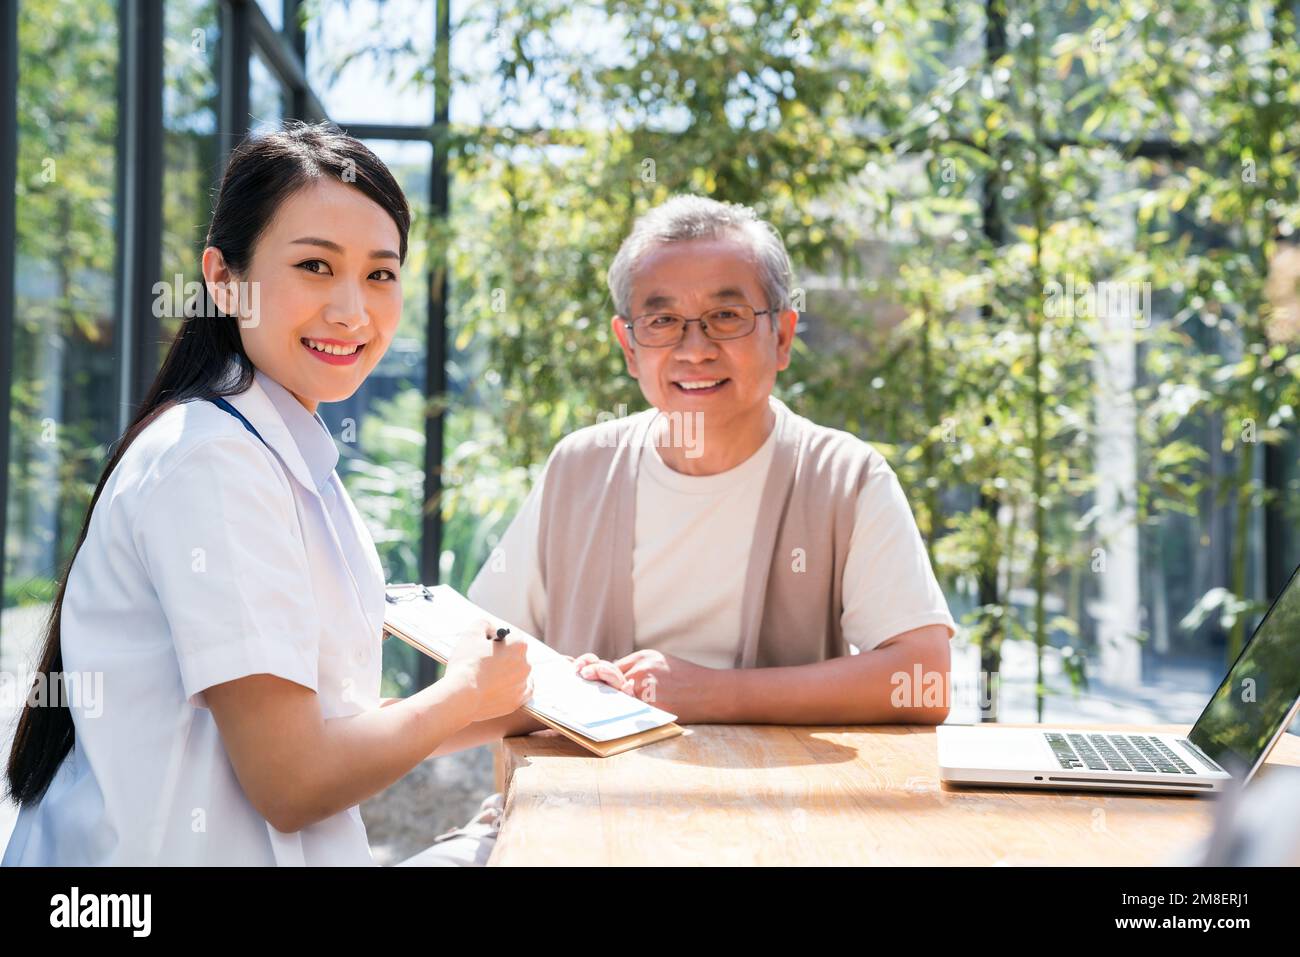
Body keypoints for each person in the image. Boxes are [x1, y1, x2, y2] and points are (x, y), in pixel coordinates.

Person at [0, 121, 609, 866]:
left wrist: (532, 699)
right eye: (316, 266)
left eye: (380, 274)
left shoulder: (281, 456)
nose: (353, 311)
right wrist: (464, 691)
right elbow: (291, 779)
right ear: (224, 279)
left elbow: (330, 732)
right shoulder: (212, 461)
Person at [446, 194, 958, 861]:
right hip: (570, 827)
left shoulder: (844, 475)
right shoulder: (581, 465)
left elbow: (923, 676)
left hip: (781, 833)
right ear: (629, 345)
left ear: (782, 335)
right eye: (662, 320)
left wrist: (708, 693)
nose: (695, 347)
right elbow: (487, 661)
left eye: (725, 316)